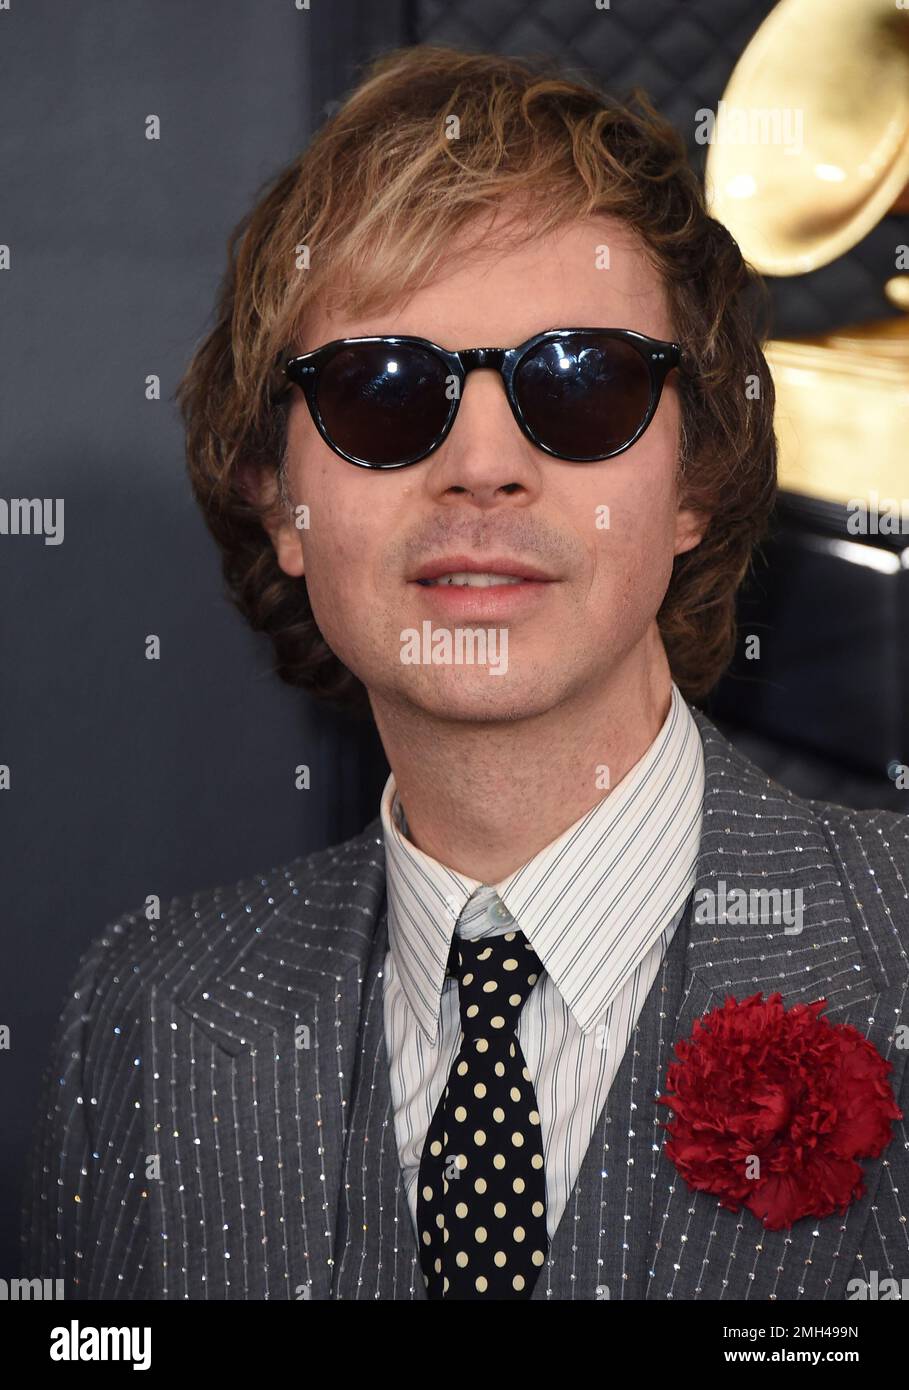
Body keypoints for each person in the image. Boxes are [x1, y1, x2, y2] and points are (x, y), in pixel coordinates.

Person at [22, 43, 909, 1302]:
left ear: (697, 481)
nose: (482, 464)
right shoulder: (146, 1012)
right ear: (280, 496)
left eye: (584, 383)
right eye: (385, 393)